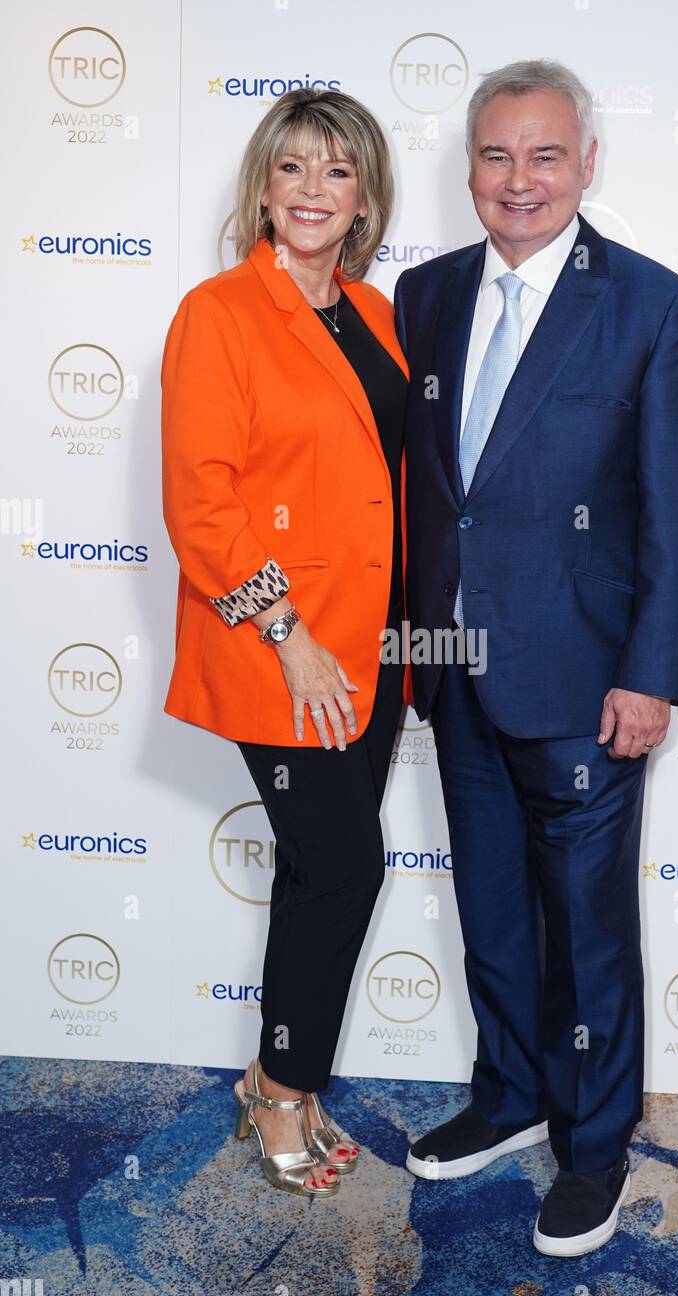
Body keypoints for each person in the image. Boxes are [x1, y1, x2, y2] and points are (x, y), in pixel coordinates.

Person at [394, 59, 678, 1254]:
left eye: (542, 155)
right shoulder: (421, 298)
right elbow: (433, 501)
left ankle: (594, 1145)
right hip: (454, 665)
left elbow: (676, 513)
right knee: (490, 906)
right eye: (494, 155)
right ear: (467, 169)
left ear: (586, 164)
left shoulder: (649, 303)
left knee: (585, 927)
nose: (517, 179)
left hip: (586, 679)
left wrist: (650, 673)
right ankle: (512, 1091)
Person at [161, 88, 410, 1197]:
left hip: (381, 647)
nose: (313, 191)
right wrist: (287, 631)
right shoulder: (217, 312)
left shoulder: (377, 312)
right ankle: (279, 1086)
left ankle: (288, 1079)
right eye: (293, 168)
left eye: (337, 172)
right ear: (264, 185)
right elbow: (200, 506)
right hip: (284, 650)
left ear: (363, 199)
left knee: (322, 869)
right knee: (346, 860)